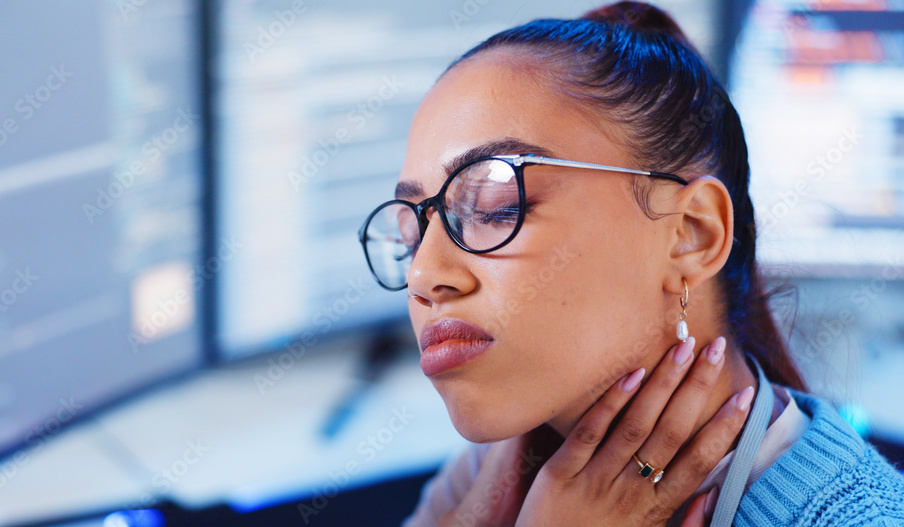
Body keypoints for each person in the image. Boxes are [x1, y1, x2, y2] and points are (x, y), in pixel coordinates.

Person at [357, 1, 904, 525]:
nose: (423, 276)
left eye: (498, 207)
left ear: (692, 234)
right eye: (411, 236)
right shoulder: (487, 478)